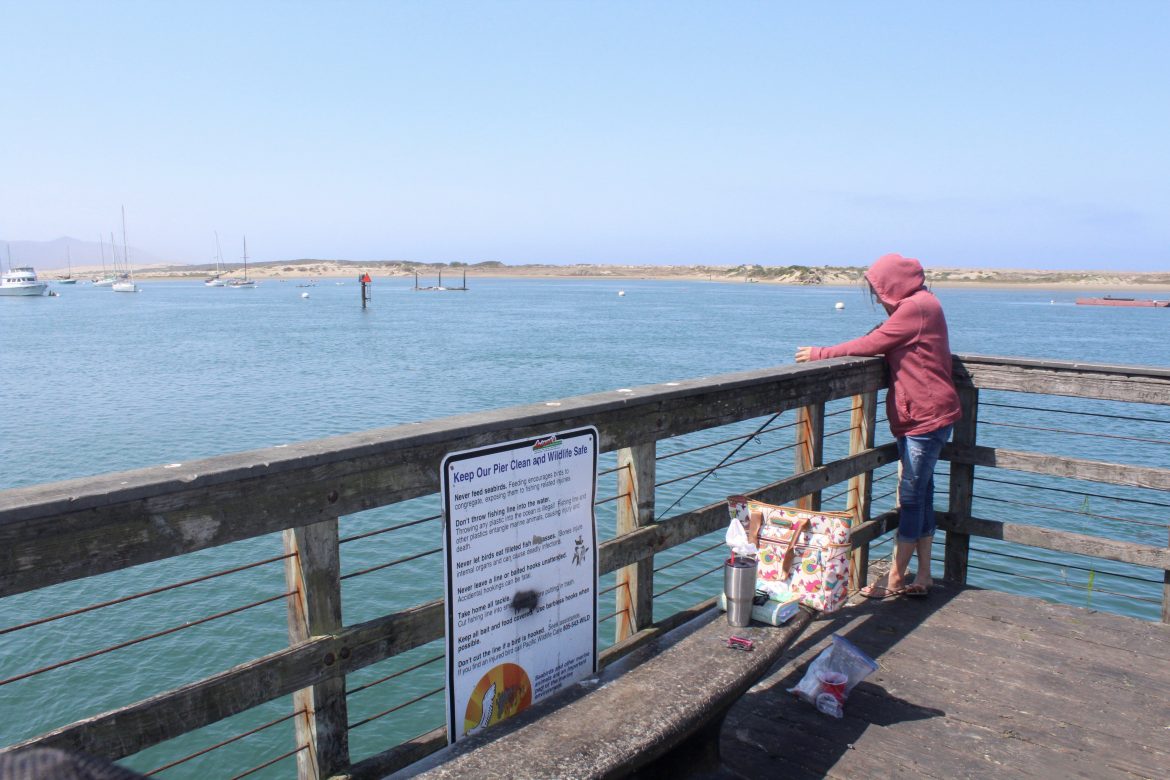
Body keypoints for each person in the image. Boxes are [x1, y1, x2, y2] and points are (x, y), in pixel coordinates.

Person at [795, 252, 961, 599]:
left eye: (878, 291)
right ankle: (925, 574)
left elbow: (874, 343)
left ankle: (897, 578)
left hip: (925, 416)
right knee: (923, 495)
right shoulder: (922, 304)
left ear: (892, 285)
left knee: (912, 498)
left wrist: (821, 354)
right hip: (926, 414)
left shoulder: (916, 308)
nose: (877, 298)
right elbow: (886, 336)